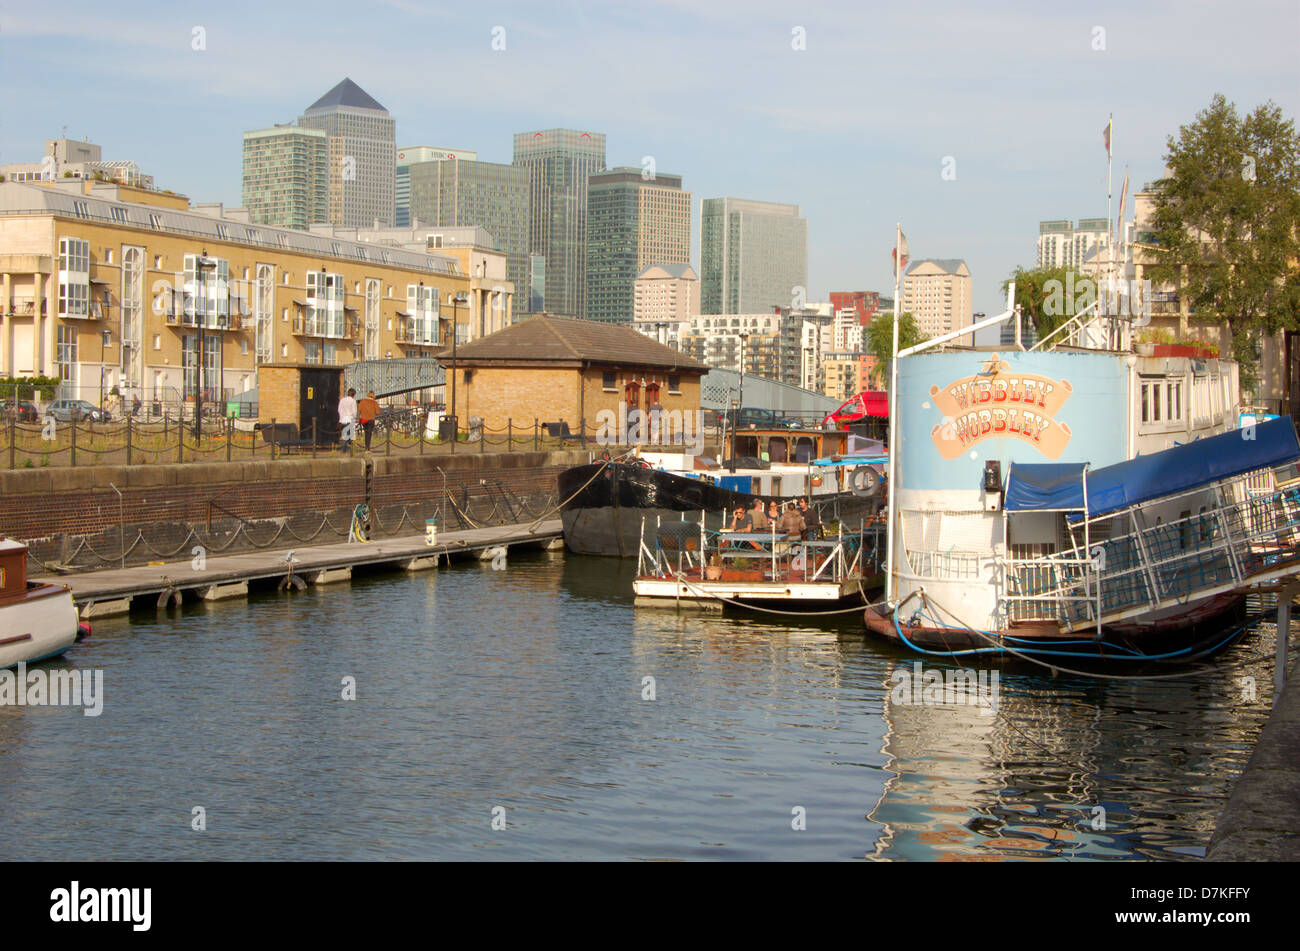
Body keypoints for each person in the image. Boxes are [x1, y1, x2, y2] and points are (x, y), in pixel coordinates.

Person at [337, 388, 357, 452]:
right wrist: (354, 418)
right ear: (354, 394)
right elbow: (354, 412)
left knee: (345, 434)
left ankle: (347, 447)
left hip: (342, 419)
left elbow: (339, 409)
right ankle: (344, 449)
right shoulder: (353, 401)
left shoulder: (342, 400)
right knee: (348, 435)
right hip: (349, 419)